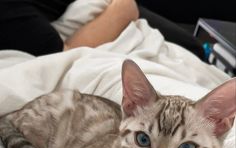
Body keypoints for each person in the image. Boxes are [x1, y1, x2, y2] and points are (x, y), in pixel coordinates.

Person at [0, 0, 204, 59]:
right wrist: (122, 8)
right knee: (194, 49)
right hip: (106, 13)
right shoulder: (10, 14)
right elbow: (65, 54)